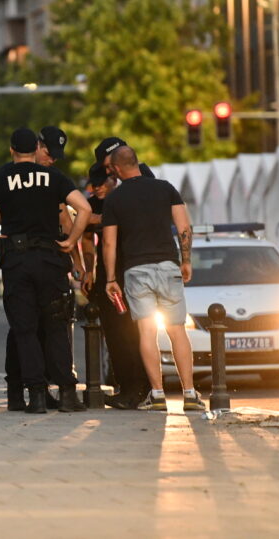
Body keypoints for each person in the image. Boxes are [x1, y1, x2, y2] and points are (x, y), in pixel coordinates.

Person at [0, 128, 91, 413]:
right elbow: (83, 208)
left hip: (17, 261)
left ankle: (37, 396)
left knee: (25, 329)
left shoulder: (1, 177)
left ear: (11, 150)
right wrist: (70, 241)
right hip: (50, 260)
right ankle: (67, 393)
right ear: (37, 149)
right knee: (56, 325)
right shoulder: (54, 177)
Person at [101, 145, 205, 412]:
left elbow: (109, 244)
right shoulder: (165, 188)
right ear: (136, 161)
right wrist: (185, 261)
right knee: (177, 331)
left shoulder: (115, 199)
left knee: (147, 332)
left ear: (117, 168)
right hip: (168, 266)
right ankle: (190, 394)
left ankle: (157, 394)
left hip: (136, 271)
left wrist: (111, 278)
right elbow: (184, 227)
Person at [81, 162, 149, 409]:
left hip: (130, 271)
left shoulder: (124, 199)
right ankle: (124, 386)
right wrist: (88, 270)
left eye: (102, 183)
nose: (97, 188)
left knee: (133, 333)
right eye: (94, 184)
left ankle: (142, 386)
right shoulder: (92, 204)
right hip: (106, 278)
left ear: (114, 180)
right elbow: (86, 236)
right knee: (113, 334)